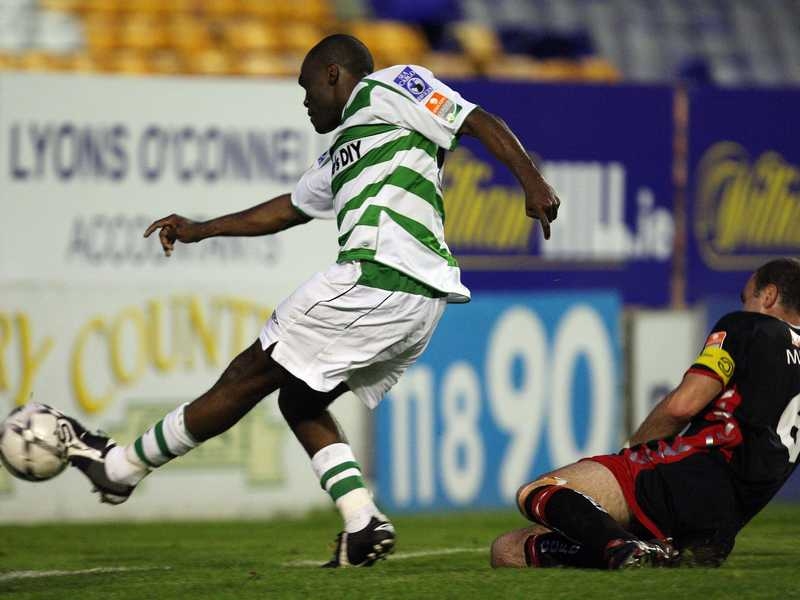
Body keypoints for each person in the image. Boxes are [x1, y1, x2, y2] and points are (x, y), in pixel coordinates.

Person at [58, 34, 560, 567]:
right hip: (413, 297)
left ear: (333, 75)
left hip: (380, 277)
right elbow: (288, 209)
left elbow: (476, 119)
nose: (303, 101)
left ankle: (120, 469)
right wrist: (202, 229)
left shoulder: (390, 87)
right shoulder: (345, 150)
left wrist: (531, 181)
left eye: (305, 87)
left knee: (247, 375)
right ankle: (362, 521)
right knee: (299, 400)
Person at [490, 257, 800, 570]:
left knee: (538, 490)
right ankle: (642, 552)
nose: (744, 307)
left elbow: (682, 406)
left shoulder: (749, 327)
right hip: (718, 531)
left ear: (769, 296)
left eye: (747, 298)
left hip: (676, 483)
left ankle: (619, 545)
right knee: (508, 551)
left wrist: (632, 452)